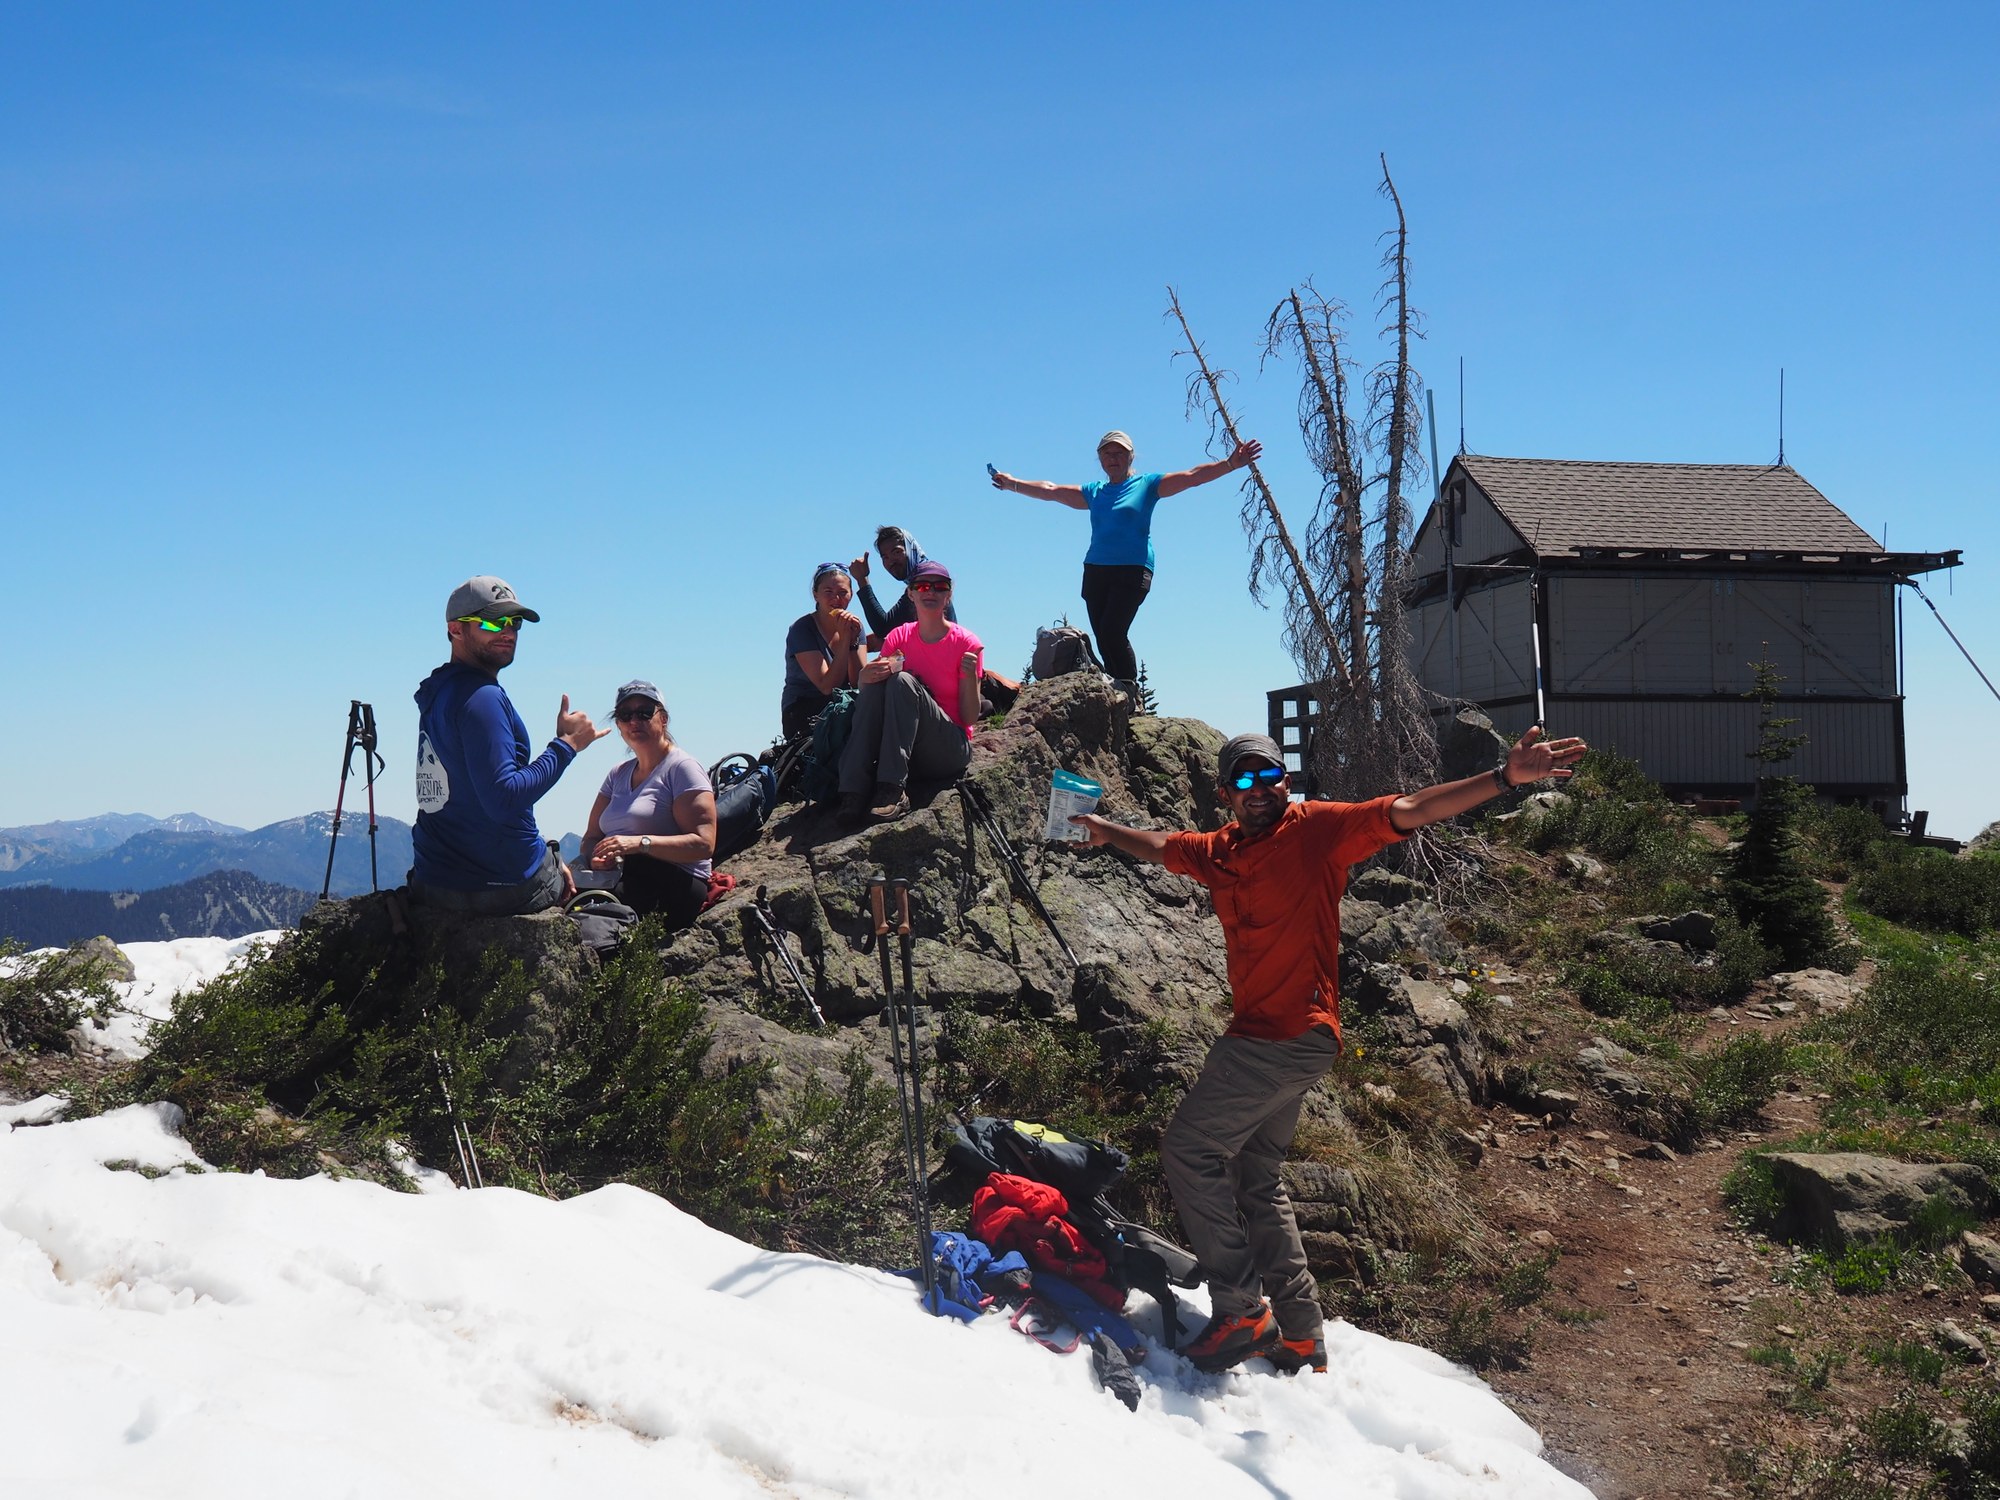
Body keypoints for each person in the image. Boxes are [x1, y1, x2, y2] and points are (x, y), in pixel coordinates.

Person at [1069, 725, 1588, 1374]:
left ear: (1286, 780)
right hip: (1284, 1042)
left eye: (1272, 776)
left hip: (1282, 1039)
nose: (1262, 790)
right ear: (1227, 793)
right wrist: (1102, 829)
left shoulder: (1318, 830)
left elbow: (1411, 809)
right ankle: (1301, 1335)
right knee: (1256, 1178)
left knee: (1189, 1150)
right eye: (1246, 781)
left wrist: (1504, 779)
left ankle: (1239, 1310)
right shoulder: (1218, 850)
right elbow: (1158, 846)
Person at [990, 429, 1263, 690]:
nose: (1113, 458)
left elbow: (1192, 476)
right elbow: (1050, 490)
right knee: (1103, 635)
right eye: (1107, 454)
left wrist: (1230, 463)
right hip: (1096, 570)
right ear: (1100, 459)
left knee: (1112, 630)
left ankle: (1128, 688)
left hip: (1133, 570)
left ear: (1131, 457)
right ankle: (1116, 687)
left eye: (1119, 453)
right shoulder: (1094, 492)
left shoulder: (1147, 485)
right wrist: (1012, 484)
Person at [410, 575, 608, 915]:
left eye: (514, 622)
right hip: (501, 884)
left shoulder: (440, 693)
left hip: (435, 880)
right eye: (491, 621)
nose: (508, 632)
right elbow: (503, 798)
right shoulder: (482, 698)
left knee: (549, 855)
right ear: (455, 629)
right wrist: (566, 745)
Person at [838, 559, 982, 823]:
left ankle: (892, 790)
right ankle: (853, 790)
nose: (931, 592)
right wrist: (863, 679)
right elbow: (875, 697)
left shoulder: (966, 643)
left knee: (902, 681)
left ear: (948, 595)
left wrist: (971, 676)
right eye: (923, 585)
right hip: (909, 753)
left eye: (939, 587)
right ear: (910, 593)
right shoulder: (898, 638)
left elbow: (970, 718)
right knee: (874, 683)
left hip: (950, 750)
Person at [577, 680, 717, 930]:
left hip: (677, 883)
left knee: (591, 910)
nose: (634, 721)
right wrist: (594, 858)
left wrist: (639, 844)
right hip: (623, 875)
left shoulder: (682, 768)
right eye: (625, 715)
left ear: (663, 719)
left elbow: (704, 843)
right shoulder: (617, 774)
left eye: (644, 713)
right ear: (618, 724)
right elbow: (591, 838)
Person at [781, 563, 868, 741]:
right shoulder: (802, 629)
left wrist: (852, 642)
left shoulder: (855, 627)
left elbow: (858, 681)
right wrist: (844, 640)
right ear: (816, 595)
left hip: (842, 705)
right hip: (805, 709)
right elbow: (827, 686)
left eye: (843, 592)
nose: (836, 598)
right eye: (828, 592)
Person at [850, 525, 955, 651]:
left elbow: (882, 627)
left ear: (911, 549)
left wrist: (862, 579)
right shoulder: (915, 583)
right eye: (885, 557)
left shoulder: (923, 582)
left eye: (897, 552)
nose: (891, 562)